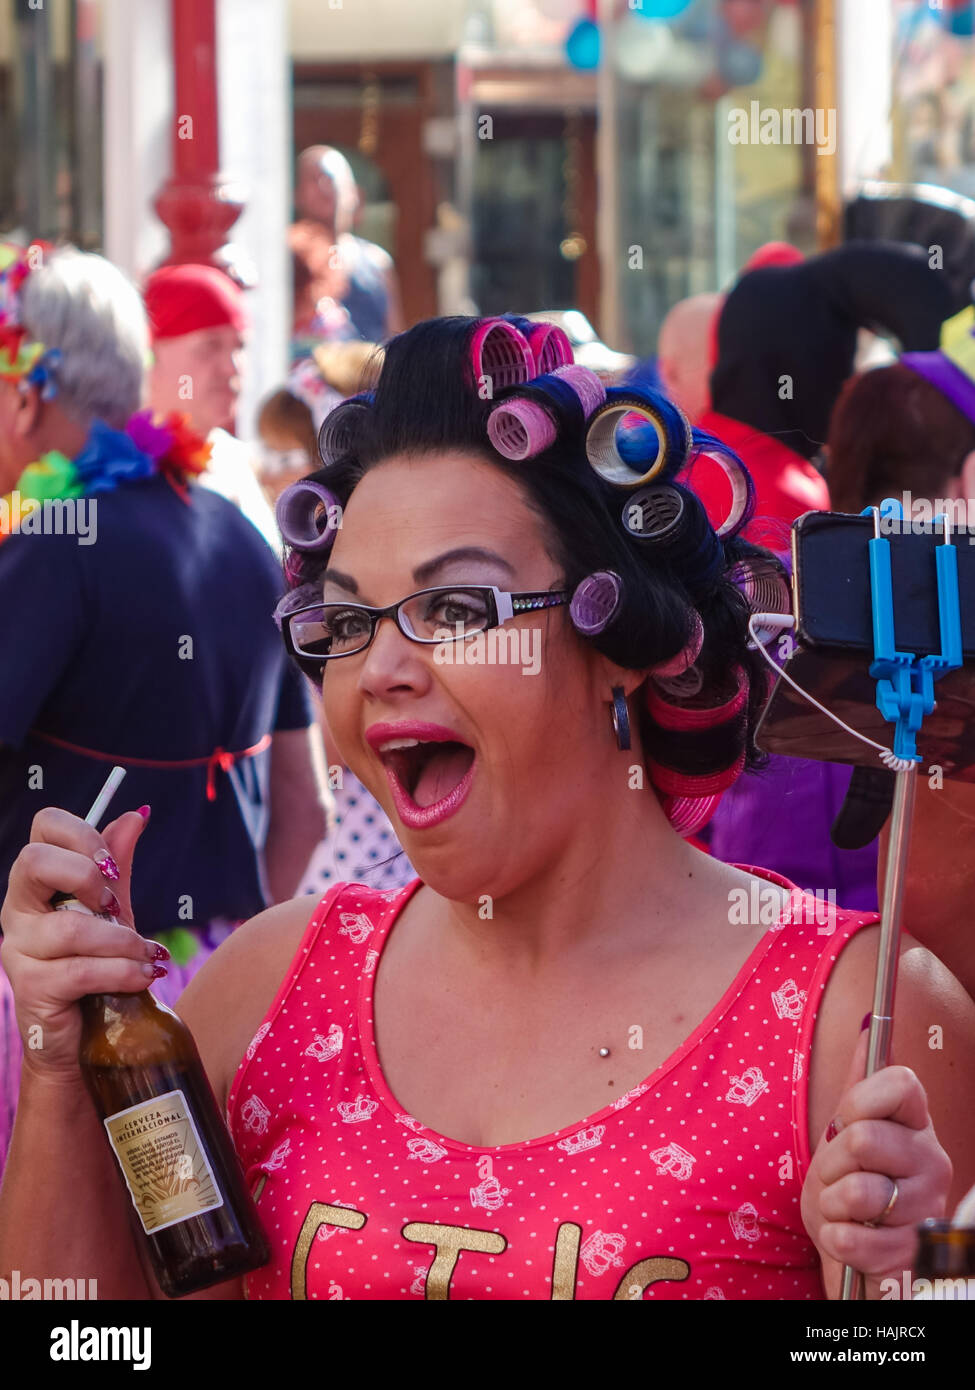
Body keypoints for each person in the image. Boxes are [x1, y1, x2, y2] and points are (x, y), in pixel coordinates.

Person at [2, 314, 972, 1302]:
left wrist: (921, 1279)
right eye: (347, 619)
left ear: (622, 645)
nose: (379, 669)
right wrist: (56, 1066)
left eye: (458, 611)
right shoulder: (264, 993)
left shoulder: (867, 1024)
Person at [0, 244, 325, 1174]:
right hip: (225, 995)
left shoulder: (50, 546)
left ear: (25, 396)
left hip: (68, 1010)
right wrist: (212, 971)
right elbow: (307, 811)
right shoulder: (234, 530)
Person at [144, 262, 281, 553]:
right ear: (150, 356)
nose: (232, 368)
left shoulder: (235, 459)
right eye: (210, 346)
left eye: (239, 347)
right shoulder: (117, 471)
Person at [289, 145, 405, 354]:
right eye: (315, 179)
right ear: (296, 195)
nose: (325, 186)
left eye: (332, 178)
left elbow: (394, 337)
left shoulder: (377, 262)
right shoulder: (289, 258)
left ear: (354, 194)